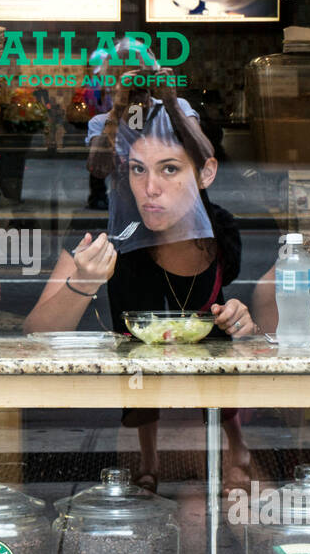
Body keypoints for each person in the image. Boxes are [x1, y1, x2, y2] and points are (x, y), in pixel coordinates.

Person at [24, 42, 259, 492]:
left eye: (170, 170)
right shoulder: (105, 234)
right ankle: (150, 465)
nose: (150, 188)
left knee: (215, 513)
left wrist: (237, 317)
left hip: (206, 407)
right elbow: (35, 338)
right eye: (136, 170)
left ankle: (234, 452)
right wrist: (83, 282)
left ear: (204, 173)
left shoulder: (220, 231)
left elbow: (226, 312)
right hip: (131, 400)